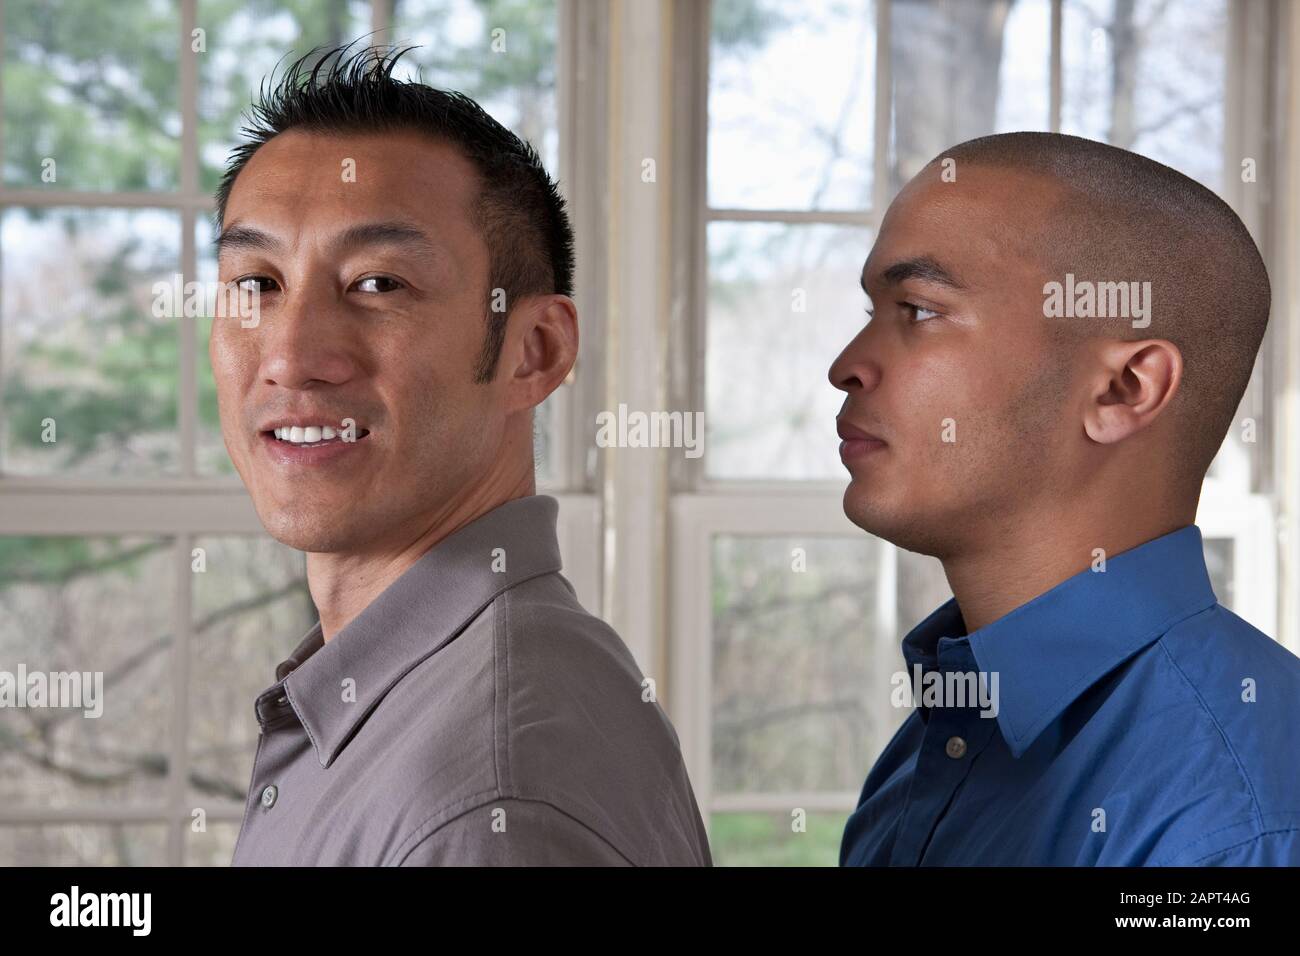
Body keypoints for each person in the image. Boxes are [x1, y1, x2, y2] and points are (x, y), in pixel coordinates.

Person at [211, 41, 710, 866]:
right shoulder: (404, 698)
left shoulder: (487, 803)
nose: (292, 353)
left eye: (378, 284)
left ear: (535, 351)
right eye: (256, 283)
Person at [832, 131, 1300, 865]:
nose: (846, 367)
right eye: (872, 312)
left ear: (1125, 389)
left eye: (918, 310)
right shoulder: (931, 751)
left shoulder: (1234, 827)